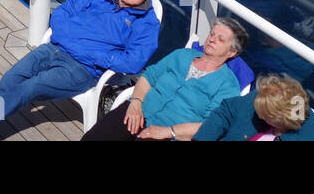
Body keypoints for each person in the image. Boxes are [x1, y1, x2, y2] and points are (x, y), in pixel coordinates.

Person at [0, 0, 160, 141]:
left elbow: (133, 63)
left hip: (82, 68)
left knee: (33, 85)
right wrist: (64, 33)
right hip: (54, 48)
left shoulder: (147, 23)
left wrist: (94, 54)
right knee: (11, 78)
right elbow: (64, 10)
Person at [80, 17, 250, 141]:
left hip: (170, 134)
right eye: (212, 34)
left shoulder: (228, 85)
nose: (212, 39)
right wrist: (136, 103)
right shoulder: (182, 55)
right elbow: (149, 76)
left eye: (220, 39)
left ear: (231, 52)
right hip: (138, 112)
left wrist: (169, 131)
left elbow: (210, 124)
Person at [193, 74, 314, 141]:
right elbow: (226, 112)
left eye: (267, 116)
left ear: (283, 118)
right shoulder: (264, 97)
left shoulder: (311, 136)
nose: (260, 116)